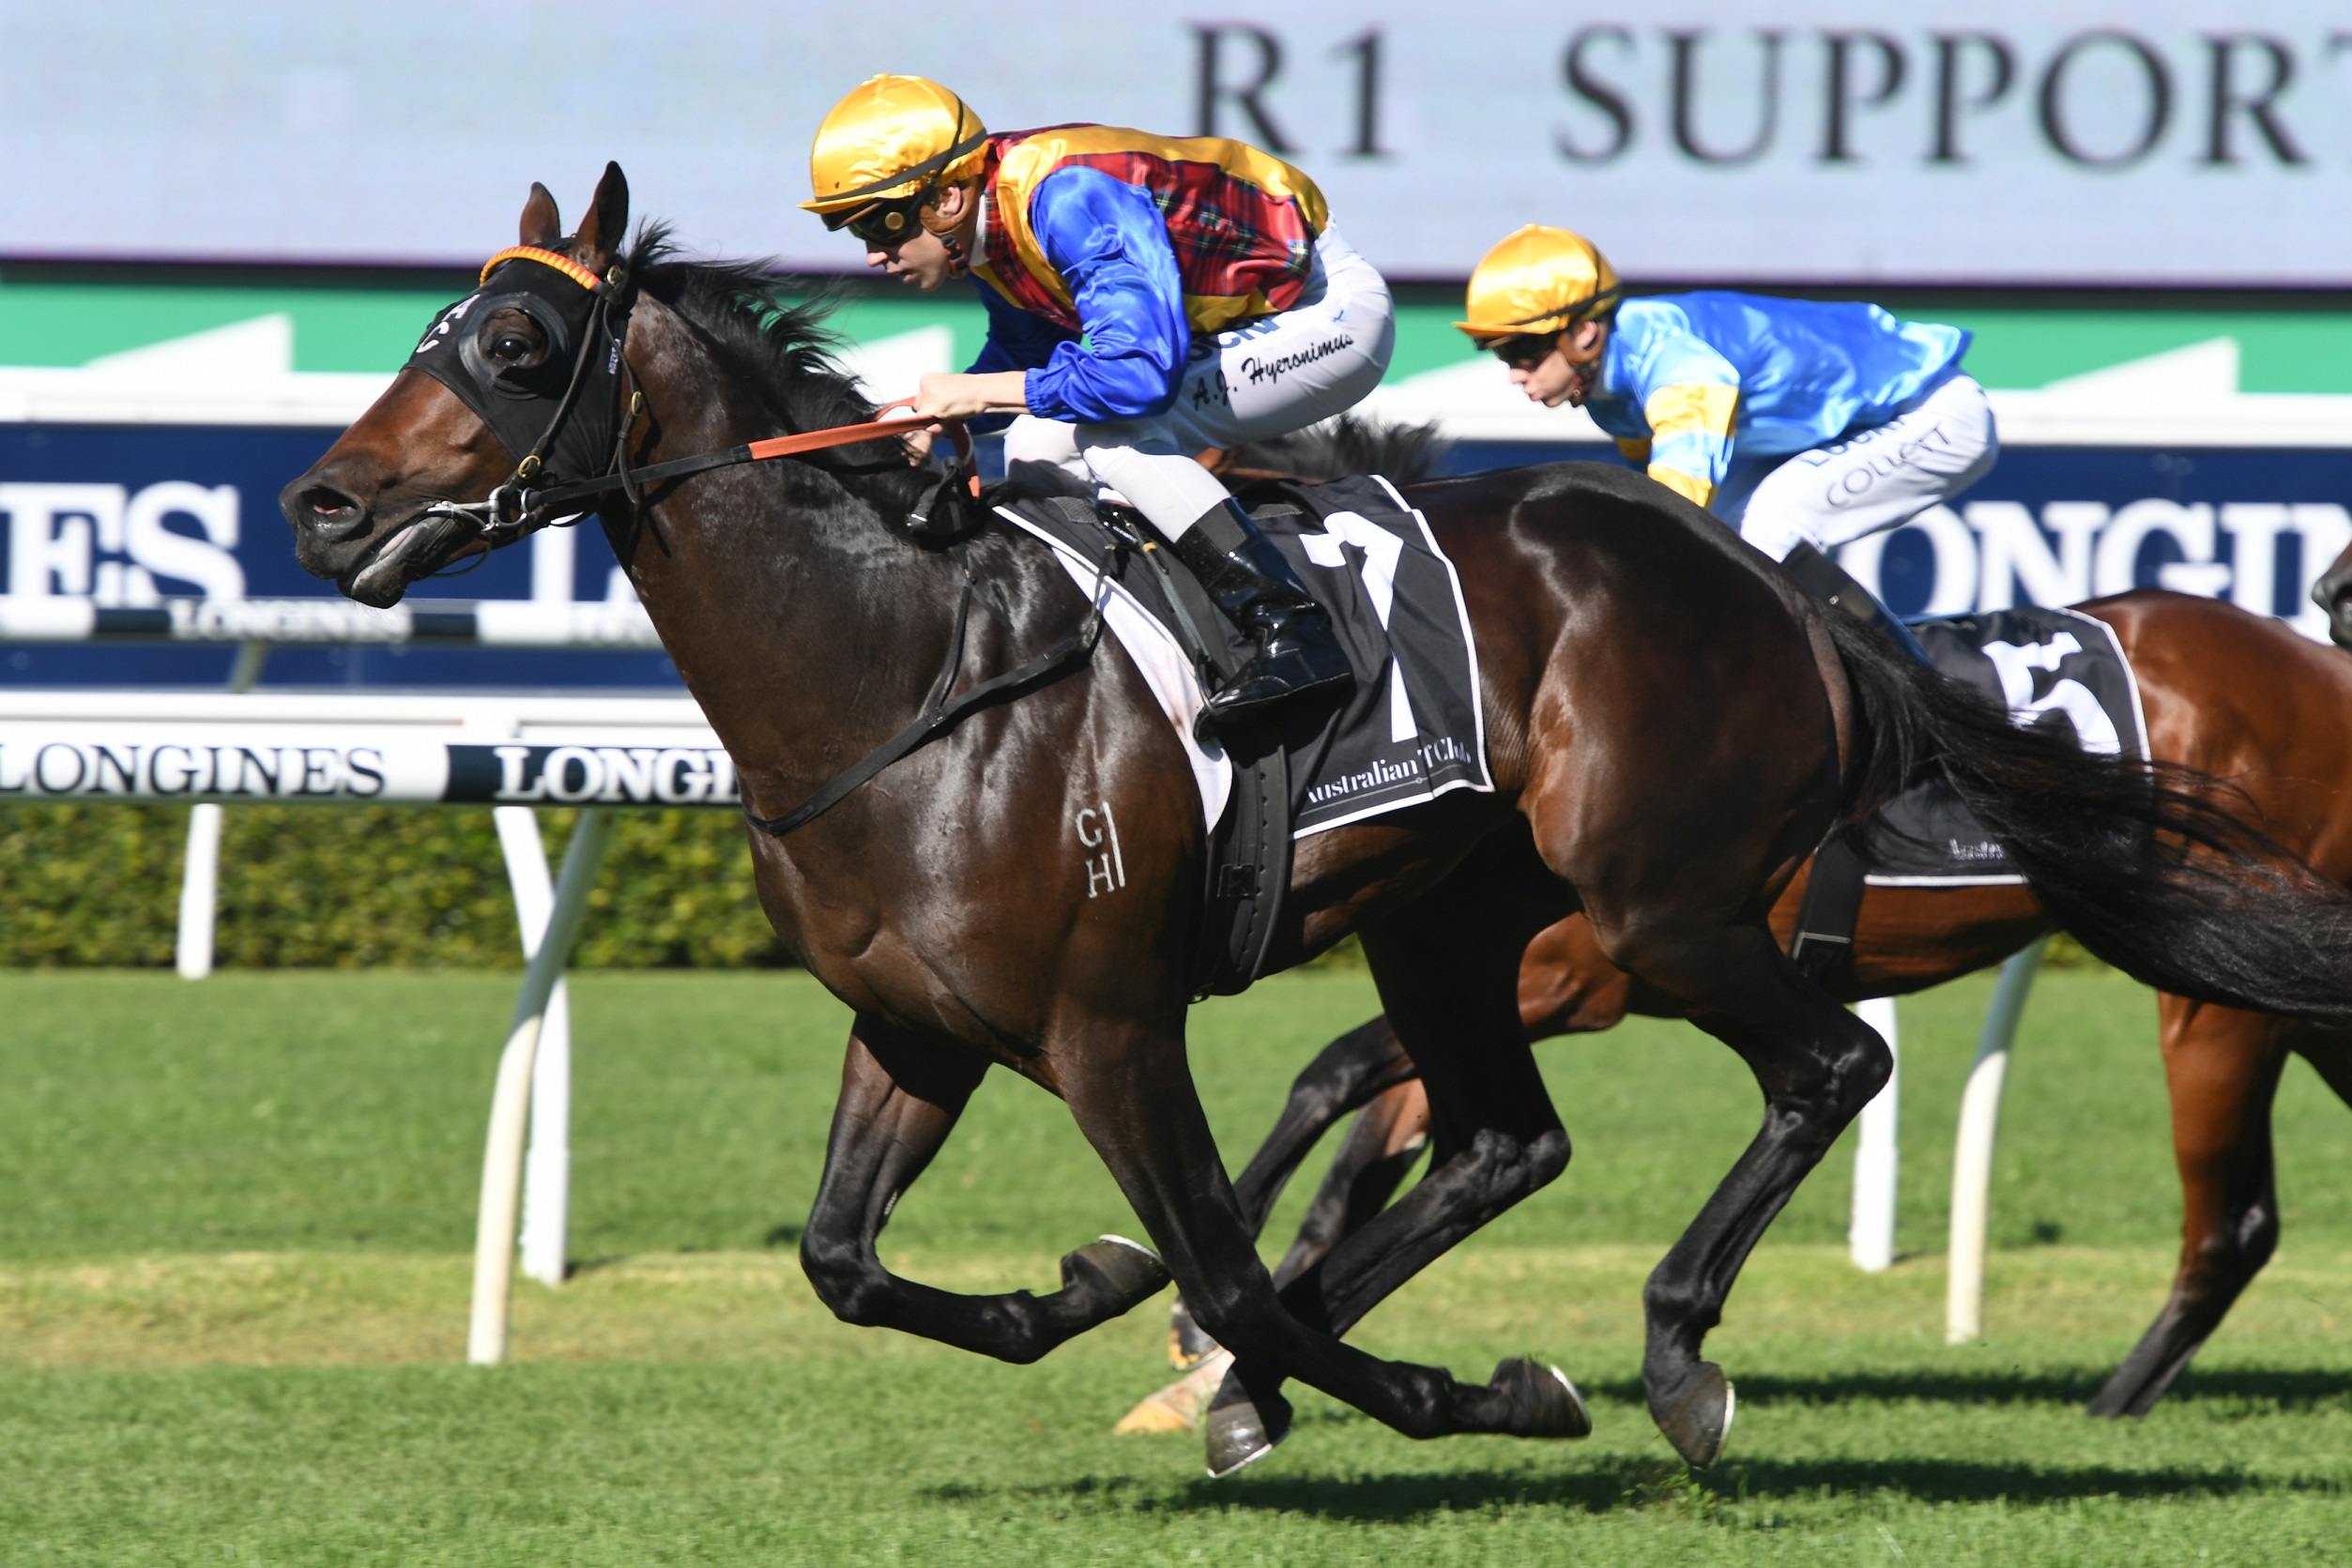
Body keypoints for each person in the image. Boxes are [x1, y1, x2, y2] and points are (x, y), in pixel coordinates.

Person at [802, 74, 1397, 729]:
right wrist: (929, 418)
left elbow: (1139, 376)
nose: (874, 255)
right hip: (1235, 326)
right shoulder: (987, 224)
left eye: (879, 225)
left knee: (1113, 436)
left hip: (1326, 313)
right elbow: (1026, 361)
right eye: (854, 231)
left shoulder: (1067, 199)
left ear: (946, 197)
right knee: (1036, 443)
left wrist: (974, 393)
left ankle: (1291, 631)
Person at [1454, 224, 1998, 655]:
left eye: (1522, 352)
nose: (1515, 374)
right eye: (1502, 355)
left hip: (1937, 412)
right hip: (1850, 428)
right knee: (1726, 541)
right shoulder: (1607, 396)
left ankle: (1922, 699)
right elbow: (1657, 500)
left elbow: (1669, 512)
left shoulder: (1673, 362)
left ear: (1584, 332)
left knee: (1765, 530)